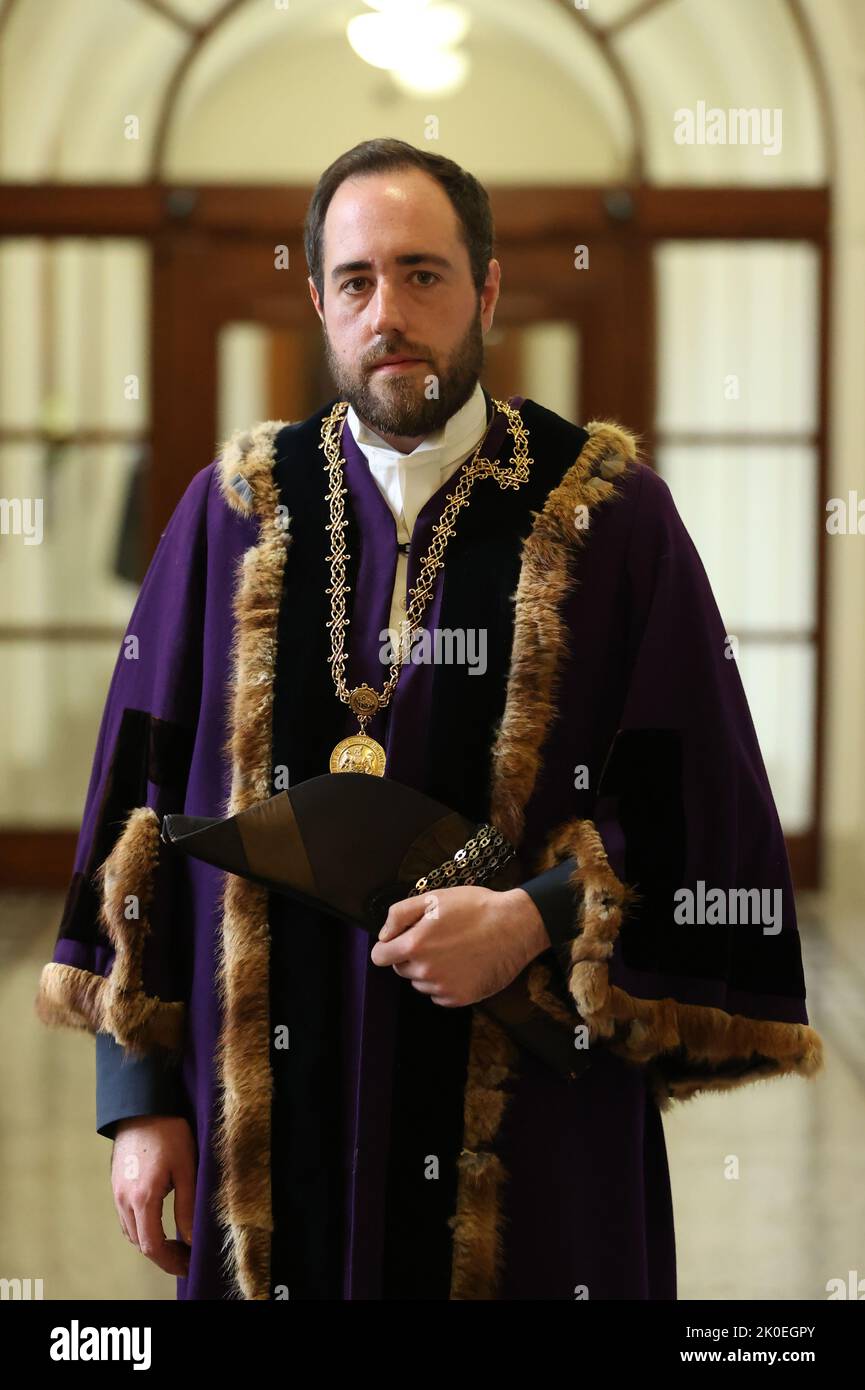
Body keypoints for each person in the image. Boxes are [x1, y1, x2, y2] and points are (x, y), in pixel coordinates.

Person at [36, 138, 824, 1301]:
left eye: (423, 274)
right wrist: (139, 1103)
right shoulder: (232, 513)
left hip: (532, 1113)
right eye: (355, 281)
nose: (388, 312)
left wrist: (534, 918)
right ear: (317, 300)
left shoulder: (611, 517)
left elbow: (705, 813)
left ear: (487, 290)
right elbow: (138, 815)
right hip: (268, 1110)